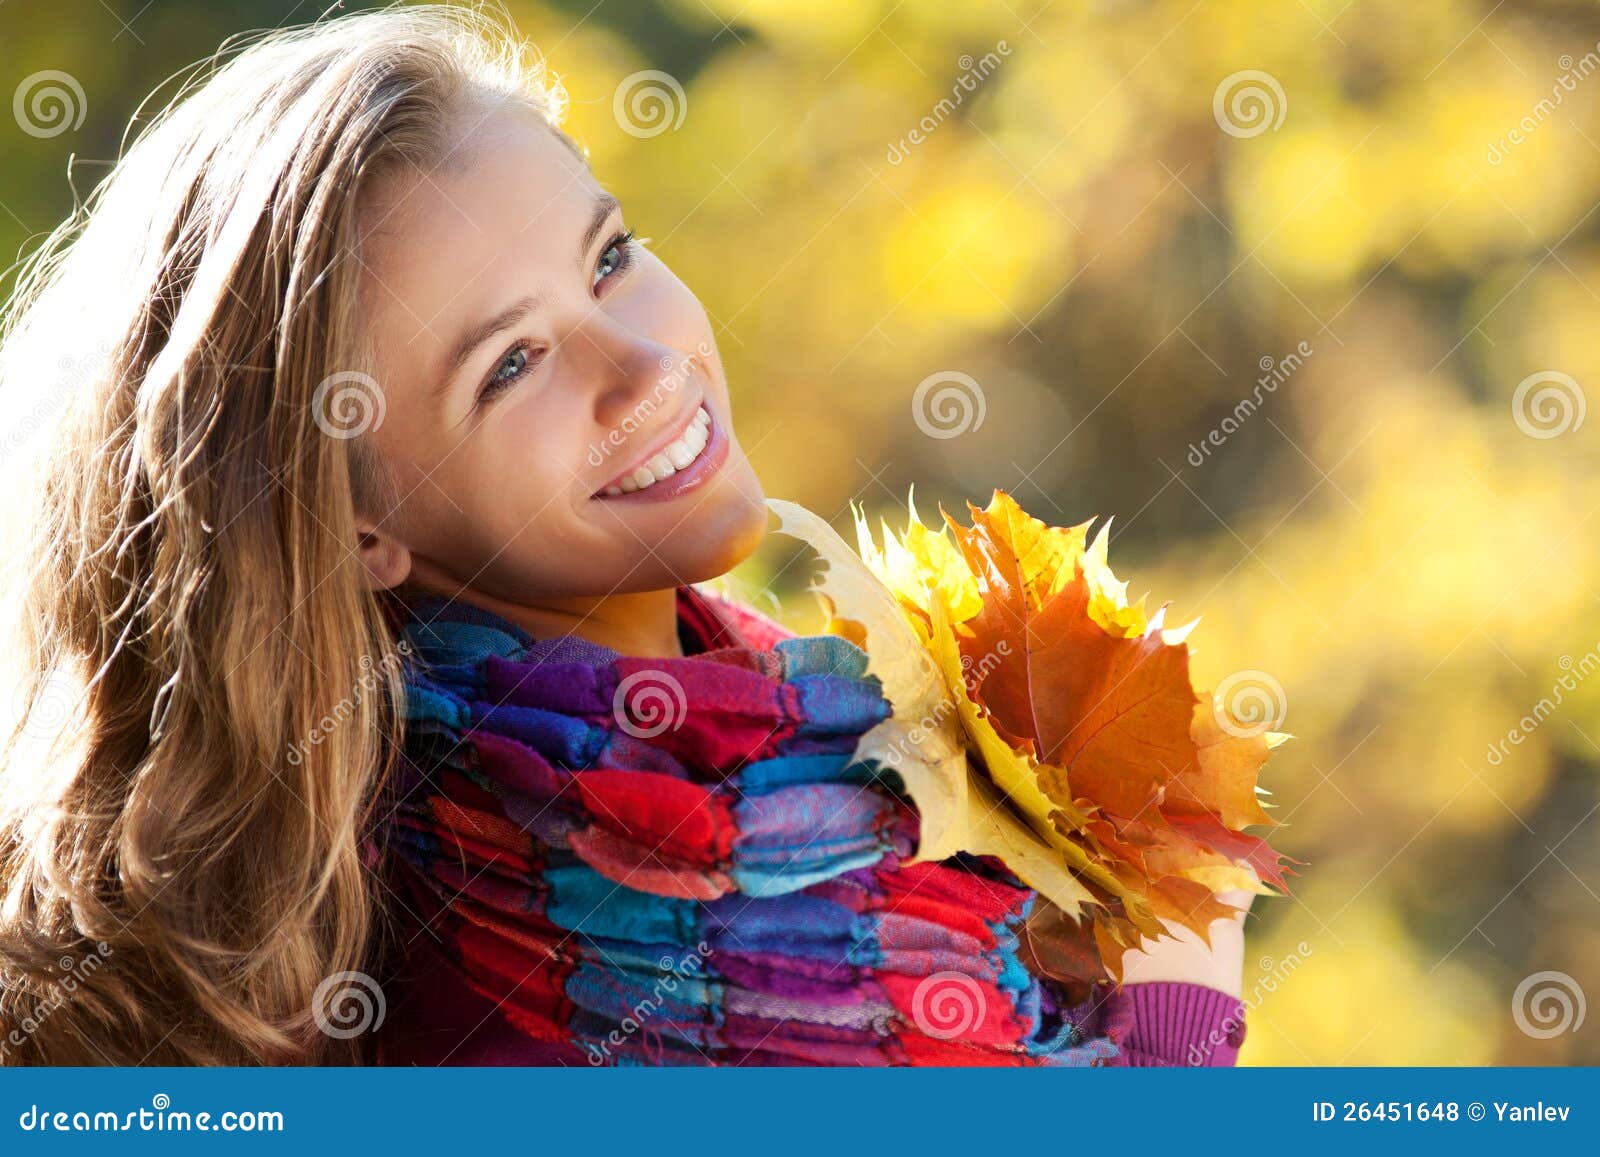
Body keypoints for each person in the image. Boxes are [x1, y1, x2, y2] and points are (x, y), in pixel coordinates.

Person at [0, 6, 1250, 1066]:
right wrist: (1183, 996)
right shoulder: (542, 918)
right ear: (356, 525)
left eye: (608, 258)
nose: (645, 366)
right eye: (511, 364)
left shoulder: (784, 724)